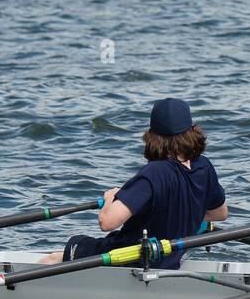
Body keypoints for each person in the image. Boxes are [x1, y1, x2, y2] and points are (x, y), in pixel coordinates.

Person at [39, 98, 227, 269]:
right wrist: (186, 215)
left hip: (130, 257)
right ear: (192, 131)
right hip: (170, 259)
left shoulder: (154, 172)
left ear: (152, 136)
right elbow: (220, 213)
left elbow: (107, 223)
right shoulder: (204, 166)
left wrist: (110, 198)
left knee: (56, 257)